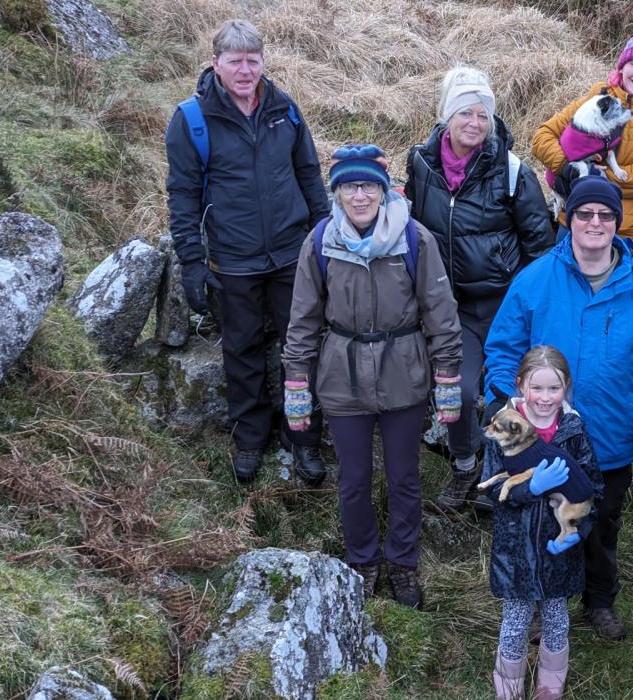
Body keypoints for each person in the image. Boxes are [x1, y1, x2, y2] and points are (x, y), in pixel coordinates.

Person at [483, 175, 633, 641]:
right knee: (536, 518)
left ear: (618, 222)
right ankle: (536, 604)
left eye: (605, 215)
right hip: (540, 434)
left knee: (600, 520)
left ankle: (599, 599)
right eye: (585, 214)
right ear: (568, 219)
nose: (595, 222)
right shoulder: (535, 280)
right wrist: (500, 396)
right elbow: (505, 346)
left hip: (608, 433)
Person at [282, 145, 463, 608]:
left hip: (404, 369)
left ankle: (402, 564)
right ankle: (362, 561)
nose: (359, 196)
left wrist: (447, 378)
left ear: (383, 192)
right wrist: (297, 382)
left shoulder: (414, 239)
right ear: (337, 192)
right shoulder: (320, 241)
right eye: (349, 186)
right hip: (342, 372)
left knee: (404, 477)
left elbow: (440, 313)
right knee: (354, 478)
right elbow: (303, 317)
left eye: (367, 186)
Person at [164, 19, 330, 484]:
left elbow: (310, 176)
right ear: (215, 63)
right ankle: (251, 438)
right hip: (232, 259)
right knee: (241, 350)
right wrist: (193, 263)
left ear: (263, 62)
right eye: (234, 61)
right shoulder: (192, 120)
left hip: (291, 255)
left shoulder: (285, 110)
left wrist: (323, 241)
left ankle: (303, 437)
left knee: (301, 350)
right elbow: (182, 196)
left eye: (252, 60)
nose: (244, 70)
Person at [404, 65, 555, 513]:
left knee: (506, 389)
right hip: (447, 304)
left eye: (483, 115)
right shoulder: (421, 163)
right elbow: (409, 226)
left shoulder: (511, 172)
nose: (474, 123)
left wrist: (528, 303)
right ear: (446, 117)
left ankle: (504, 473)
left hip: (504, 303)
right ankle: (466, 463)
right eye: (465, 113)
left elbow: (539, 246)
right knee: (459, 390)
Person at [483, 346, 603, 700]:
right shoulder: (504, 429)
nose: (546, 398)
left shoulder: (574, 431)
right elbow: (492, 490)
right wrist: (530, 489)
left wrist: (578, 531)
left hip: (558, 552)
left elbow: (592, 489)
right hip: (515, 550)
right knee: (515, 619)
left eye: (555, 388)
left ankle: (551, 682)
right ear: (520, 385)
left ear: (566, 387)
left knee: (555, 616)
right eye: (537, 388)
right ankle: (508, 682)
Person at [532, 18, 633, 270]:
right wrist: (568, 168)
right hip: (577, 222)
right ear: (622, 66)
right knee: (564, 304)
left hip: (630, 231)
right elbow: (542, 137)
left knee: (626, 308)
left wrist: (591, 178)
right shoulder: (598, 95)